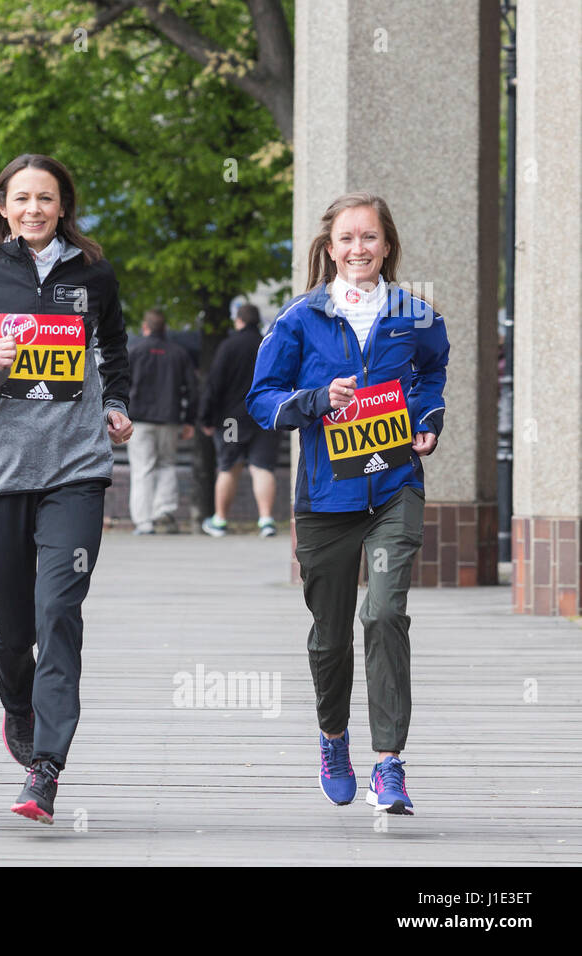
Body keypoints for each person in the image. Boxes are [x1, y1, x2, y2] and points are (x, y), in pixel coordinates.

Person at [0, 154, 132, 824]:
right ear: (4, 205)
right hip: (0, 475)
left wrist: (119, 403)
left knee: (58, 616)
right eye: (23, 199)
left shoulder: (94, 276)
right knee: (16, 630)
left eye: (47, 199)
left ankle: (45, 769)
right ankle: (14, 695)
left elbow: (115, 352)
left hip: (76, 469)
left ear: (63, 206)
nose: (35, 210)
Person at [247, 192, 448, 815]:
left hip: (395, 486)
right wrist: (315, 399)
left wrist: (427, 419)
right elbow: (262, 399)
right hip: (327, 498)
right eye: (346, 239)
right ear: (329, 248)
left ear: (387, 245)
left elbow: (433, 373)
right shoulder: (299, 318)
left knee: (384, 614)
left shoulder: (416, 315)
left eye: (369, 238)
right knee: (330, 638)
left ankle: (390, 764)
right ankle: (334, 739)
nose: (358, 249)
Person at [199, 303, 279, 537]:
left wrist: (206, 417)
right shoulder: (268, 344)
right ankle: (266, 520)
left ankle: (220, 521)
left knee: (228, 466)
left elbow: (214, 384)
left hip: (232, 420)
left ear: (239, 320)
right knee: (262, 467)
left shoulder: (229, 346)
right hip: (264, 417)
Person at [125, 308, 196, 534]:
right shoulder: (179, 353)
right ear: (164, 328)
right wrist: (189, 420)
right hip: (169, 419)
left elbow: (120, 385)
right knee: (166, 464)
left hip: (139, 420)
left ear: (145, 327)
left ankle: (144, 522)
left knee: (142, 468)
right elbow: (192, 390)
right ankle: (164, 509)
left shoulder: (134, 351)